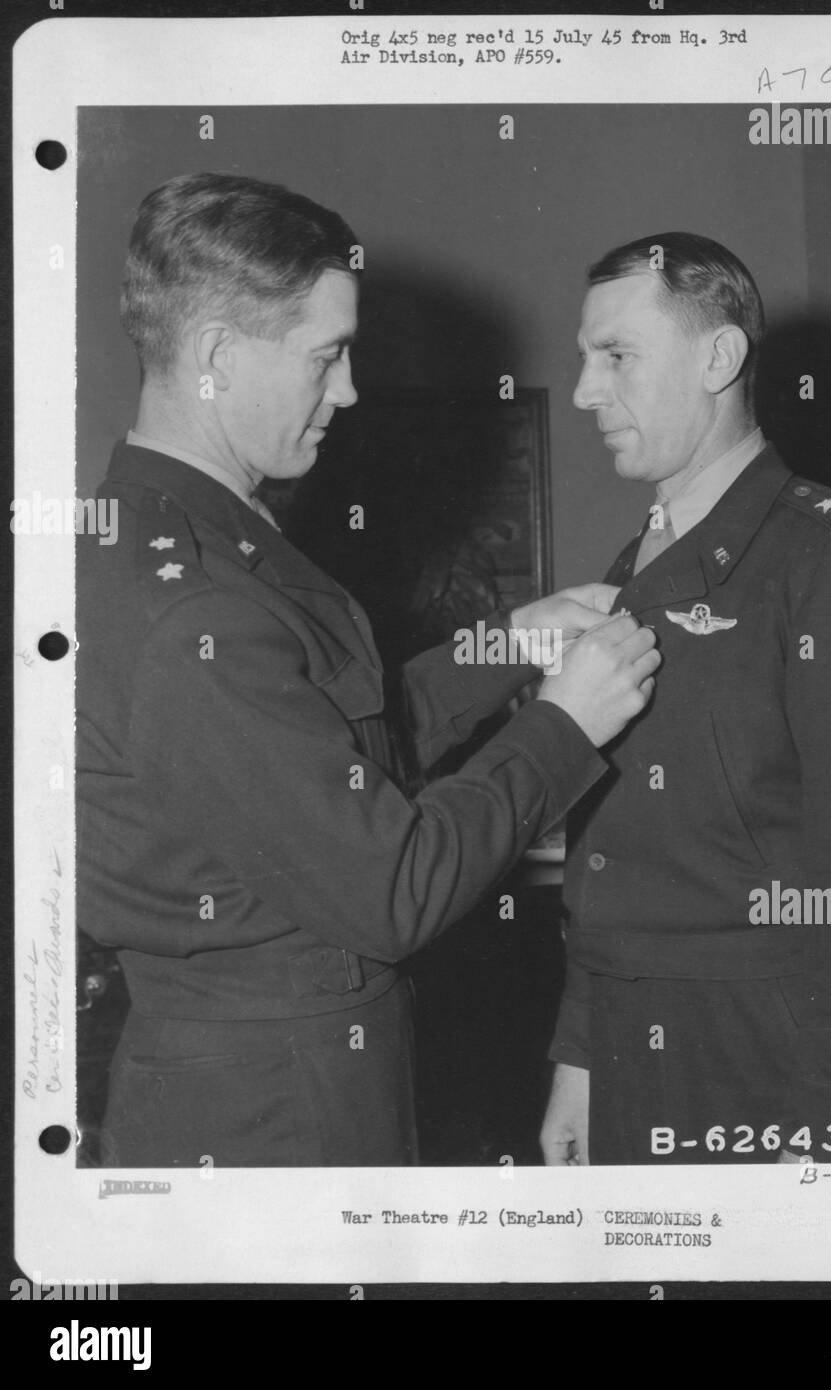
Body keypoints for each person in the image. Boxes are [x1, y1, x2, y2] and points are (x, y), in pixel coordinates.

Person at [76, 173, 660, 1167]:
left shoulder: (187, 534)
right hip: (271, 1109)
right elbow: (392, 884)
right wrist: (562, 725)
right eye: (326, 356)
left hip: (277, 1069)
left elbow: (337, 745)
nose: (347, 390)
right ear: (217, 357)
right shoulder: (190, 609)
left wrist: (509, 641)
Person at [540, 232, 831, 1166]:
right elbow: (618, 846)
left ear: (719, 357)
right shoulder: (638, 568)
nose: (589, 391)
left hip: (774, 1062)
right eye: (585, 359)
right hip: (639, 1042)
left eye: (618, 357)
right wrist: (583, 1055)